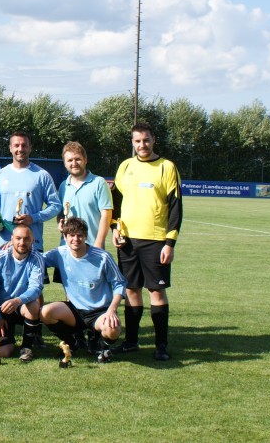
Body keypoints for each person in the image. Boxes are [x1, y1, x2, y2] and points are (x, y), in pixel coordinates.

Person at [110, 122, 182, 361]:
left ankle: (161, 346)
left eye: (146, 140)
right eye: (138, 141)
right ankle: (132, 342)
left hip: (156, 241)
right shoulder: (126, 166)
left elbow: (175, 207)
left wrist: (169, 243)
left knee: (156, 291)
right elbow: (116, 202)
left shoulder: (167, 167)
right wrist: (114, 228)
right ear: (132, 142)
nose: (142, 145)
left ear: (154, 140)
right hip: (127, 240)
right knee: (131, 290)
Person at [41, 217, 125, 363]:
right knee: (45, 312)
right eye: (71, 235)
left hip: (100, 311)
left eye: (80, 235)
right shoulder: (60, 253)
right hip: (75, 311)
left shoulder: (102, 257)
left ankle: (101, 346)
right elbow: (36, 259)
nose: (76, 239)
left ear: (85, 236)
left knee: (113, 329)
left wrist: (112, 310)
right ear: (65, 237)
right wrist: (11, 247)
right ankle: (72, 343)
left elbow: (120, 284)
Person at [0, 131, 61, 252]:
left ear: (30, 148)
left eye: (24, 145)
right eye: (16, 145)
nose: (20, 149)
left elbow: (56, 205)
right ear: (10, 148)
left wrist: (34, 218)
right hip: (3, 244)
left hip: (31, 244)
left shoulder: (42, 175)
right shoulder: (0, 175)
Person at [0, 224, 44, 362]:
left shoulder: (37, 258)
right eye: (18, 238)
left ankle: (27, 347)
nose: (22, 242)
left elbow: (36, 288)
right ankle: (4, 336)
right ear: (11, 239)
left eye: (26, 239)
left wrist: (18, 300)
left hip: (21, 305)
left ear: (32, 240)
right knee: (4, 352)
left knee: (34, 305)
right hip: (2, 308)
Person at [58, 141, 113, 250]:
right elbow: (61, 214)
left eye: (77, 159)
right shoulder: (63, 186)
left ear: (85, 160)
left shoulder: (99, 183)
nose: (74, 163)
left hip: (92, 247)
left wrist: (99, 243)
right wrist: (59, 223)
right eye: (69, 160)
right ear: (65, 163)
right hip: (66, 249)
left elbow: (106, 215)